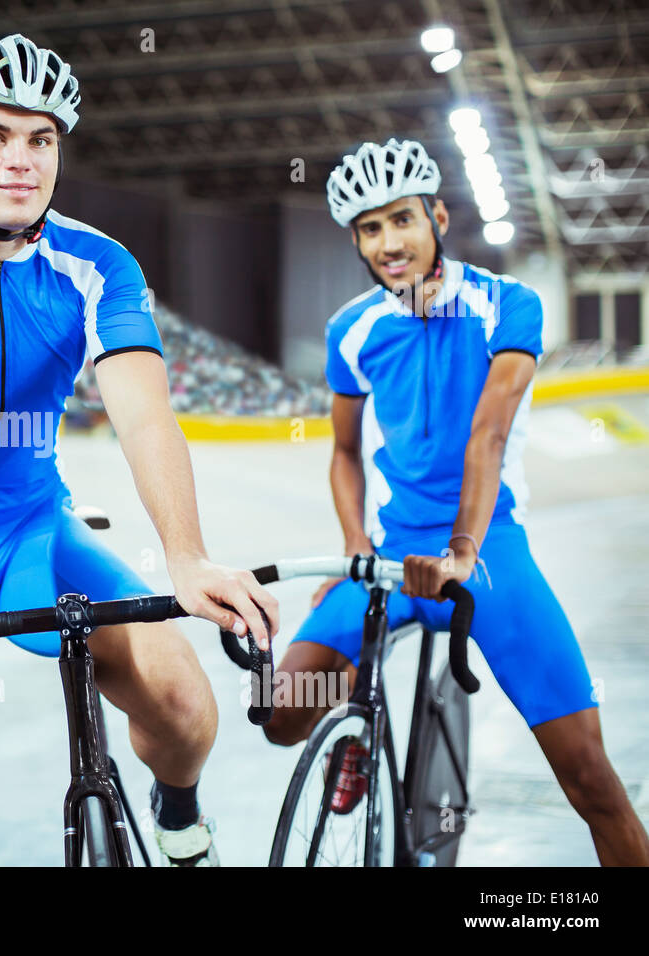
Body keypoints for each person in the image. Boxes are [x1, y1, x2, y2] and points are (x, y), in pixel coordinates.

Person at [0, 34, 279, 866]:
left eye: (40, 139)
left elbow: (146, 418)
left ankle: (178, 816)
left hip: (34, 527)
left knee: (185, 705)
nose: (20, 161)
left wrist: (187, 559)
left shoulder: (99, 264)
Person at [262, 138, 649, 865]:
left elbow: (488, 437)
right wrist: (354, 549)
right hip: (390, 557)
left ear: (437, 216)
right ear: (356, 241)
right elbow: (343, 452)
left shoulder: (508, 305)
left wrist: (463, 551)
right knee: (283, 715)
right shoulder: (353, 329)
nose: (389, 242)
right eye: (370, 229)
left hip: (487, 552)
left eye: (402, 220)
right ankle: (356, 723)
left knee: (591, 778)